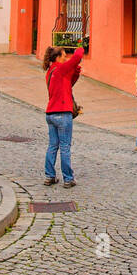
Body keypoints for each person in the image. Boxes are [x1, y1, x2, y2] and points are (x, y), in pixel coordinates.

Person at [42, 44, 84, 188]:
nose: (66, 59)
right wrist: (81, 46)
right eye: (65, 56)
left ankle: (49, 176)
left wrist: (75, 69)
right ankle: (68, 179)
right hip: (62, 113)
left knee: (53, 146)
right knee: (65, 147)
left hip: (50, 114)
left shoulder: (51, 72)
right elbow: (78, 57)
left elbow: (70, 81)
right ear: (58, 57)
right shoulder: (61, 69)